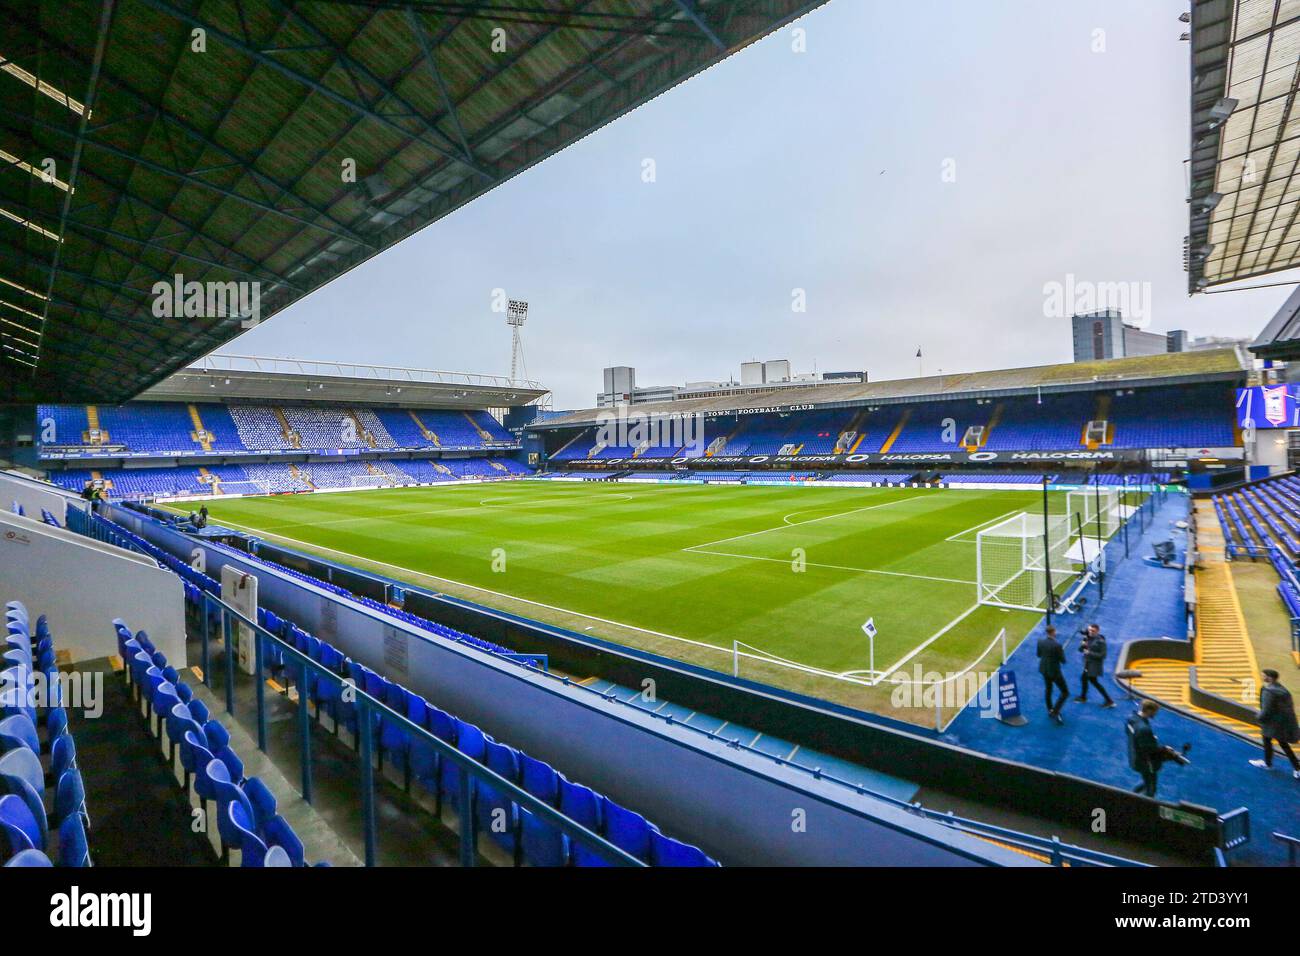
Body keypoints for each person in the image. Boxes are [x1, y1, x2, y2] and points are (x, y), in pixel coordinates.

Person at [1250, 669, 1300, 779]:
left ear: (1270, 678)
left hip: (1271, 723)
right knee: (1284, 745)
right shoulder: (1282, 690)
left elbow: (1266, 709)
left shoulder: (1269, 691)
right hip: (1282, 722)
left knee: (1267, 742)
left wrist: (1259, 718)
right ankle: (1297, 768)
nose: (1262, 677)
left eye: (1264, 676)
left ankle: (1268, 763)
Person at [1126, 700, 1163, 797]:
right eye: (1155, 712)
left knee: (1146, 781)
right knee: (1151, 787)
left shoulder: (1131, 718)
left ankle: (1131, 796)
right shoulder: (1144, 729)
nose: (1156, 714)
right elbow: (1149, 750)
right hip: (1146, 763)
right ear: (1149, 711)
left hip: (1134, 756)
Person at [1074, 624, 1115, 708]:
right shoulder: (1087, 638)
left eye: (1093, 631)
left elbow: (1103, 655)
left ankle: (1109, 701)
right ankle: (1083, 697)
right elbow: (1080, 650)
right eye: (1089, 630)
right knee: (1084, 679)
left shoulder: (1101, 642)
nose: (1090, 632)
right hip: (1088, 664)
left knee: (1093, 681)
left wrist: (1090, 653)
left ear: (1097, 631)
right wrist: (1082, 645)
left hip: (1094, 665)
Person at [1036, 625, 1068, 724]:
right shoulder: (1057, 645)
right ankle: (1055, 711)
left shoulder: (1040, 642)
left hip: (1044, 670)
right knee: (1065, 692)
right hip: (1054, 672)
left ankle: (1050, 709)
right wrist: (1061, 652)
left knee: (1048, 689)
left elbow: (1039, 655)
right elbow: (1063, 661)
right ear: (1053, 632)